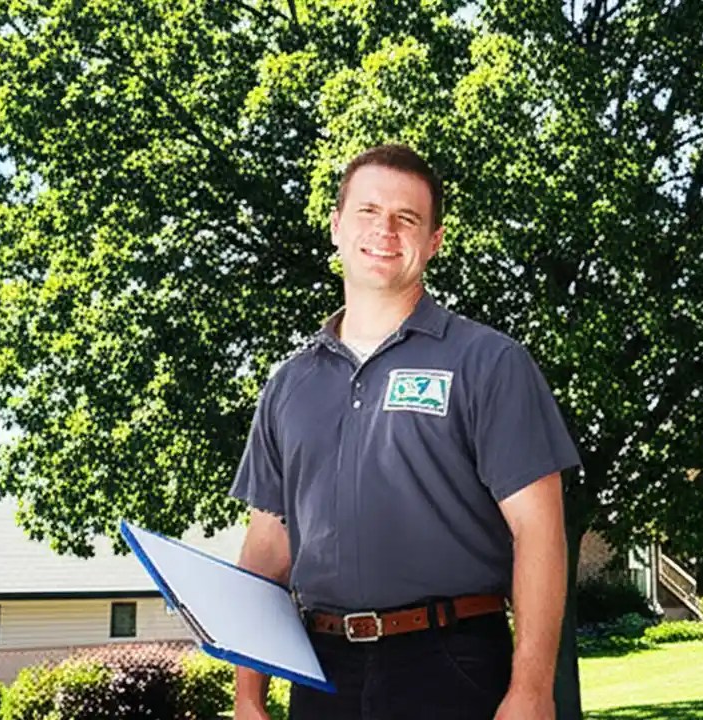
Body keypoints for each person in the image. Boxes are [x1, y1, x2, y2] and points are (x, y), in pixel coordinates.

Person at [228, 144, 579, 719]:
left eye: (406, 218)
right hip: (319, 673)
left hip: (451, 664)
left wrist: (533, 690)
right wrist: (248, 697)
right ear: (337, 227)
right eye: (368, 212)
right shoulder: (288, 385)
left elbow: (540, 534)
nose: (384, 231)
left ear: (434, 241)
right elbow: (267, 554)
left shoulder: (489, 363)